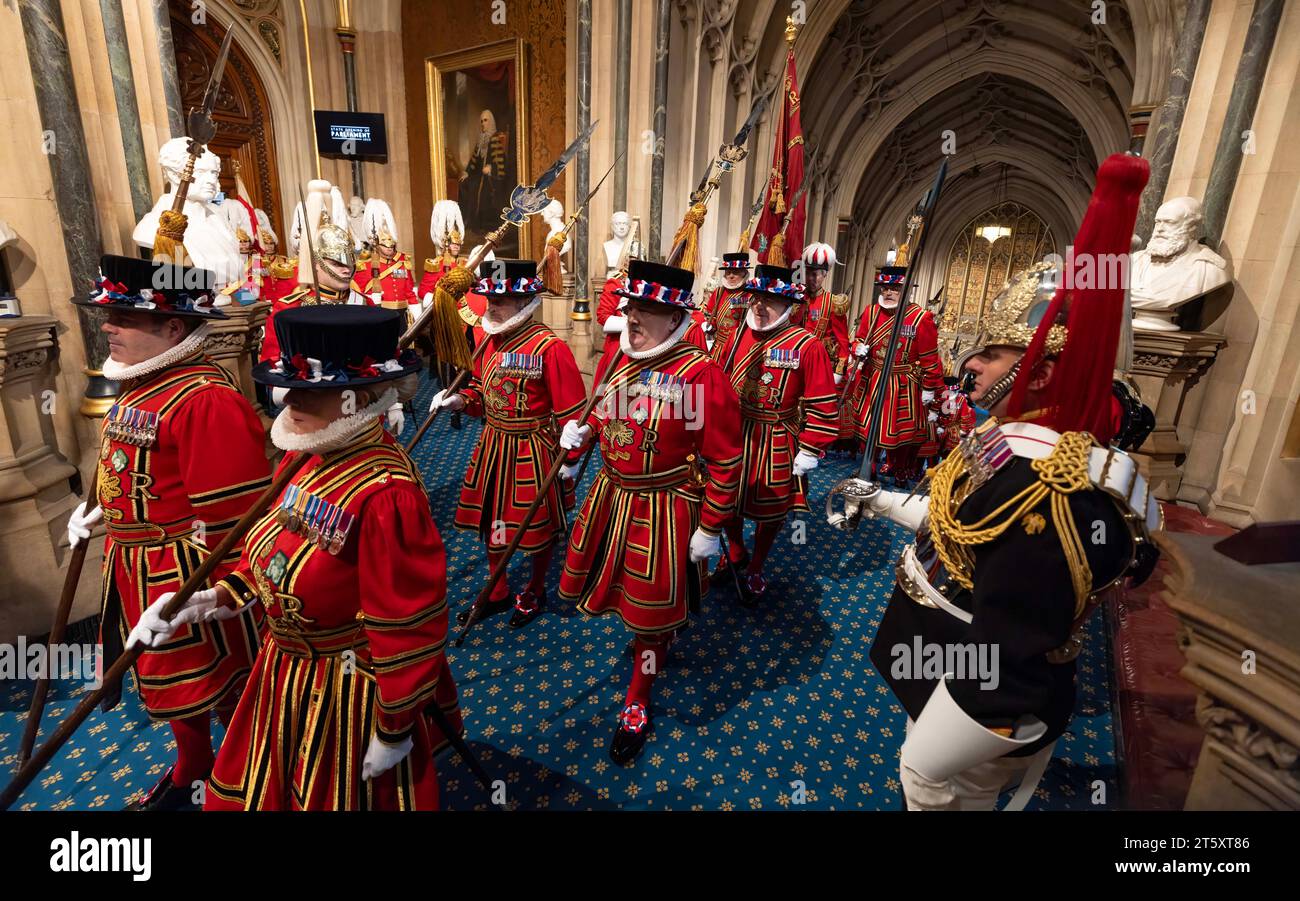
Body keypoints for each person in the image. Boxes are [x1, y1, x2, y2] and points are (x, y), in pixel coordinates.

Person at [855, 154, 1162, 810]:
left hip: (987, 684)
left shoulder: (1048, 490)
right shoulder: (1014, 447)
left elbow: (1011, 650)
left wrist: (929, 756)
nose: (973, 365)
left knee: (934, 779)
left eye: (991, 353)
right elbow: (961, 528)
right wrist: (880, 499)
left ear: (1044, 371)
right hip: (947, 650)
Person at [132, 305, 458, 810]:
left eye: (313, 389)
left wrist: (393, 728)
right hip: (283, 669)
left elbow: (408, 624)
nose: (290, 400)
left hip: (349, 690)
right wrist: (214, 597)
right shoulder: (303, 454)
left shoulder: (386, 493)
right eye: (289, 385)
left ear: (362, 398)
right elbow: (272, 551)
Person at [64, 255, 271, 810]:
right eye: (109, 314)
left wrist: (227, 597)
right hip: (133, 564)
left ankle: (247, 771)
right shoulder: (139, 383)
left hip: (190, 572)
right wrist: (105, 513)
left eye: (124, 317)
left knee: (223, 677)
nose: (107, 326)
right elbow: (139, 476)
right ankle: (194, 763)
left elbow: (235, 519)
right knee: (171, 683)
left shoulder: (205, 398)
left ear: (174, 328)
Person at [556, 259, 742, 764]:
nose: (632, 318)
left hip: (664, 505)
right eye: (631, 306)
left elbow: (726, 459)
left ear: (676, 317)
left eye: (647, 310)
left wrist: (710, 525)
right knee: (627, 594)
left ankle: (637, 699)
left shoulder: (699, 376)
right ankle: (659, 639)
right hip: (613, 494)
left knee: (651, 613)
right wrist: (582, 437)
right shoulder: (622, 358)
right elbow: (603, 404)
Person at [430, 260, 587, 629]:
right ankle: (497, 591)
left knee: (536, 526)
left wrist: (572, 459)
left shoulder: (550, 347)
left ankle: (534, 588)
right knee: (493, 521)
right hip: (493, 444)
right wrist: (461, 400)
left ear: (525, 301)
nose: (491, 307)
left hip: (533, 449)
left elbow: (574, 412)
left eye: (502, 300)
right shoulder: (487, 341)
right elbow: (481, 392)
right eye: (489, 299)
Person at [713, 263, 838, 605]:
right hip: (734, 432)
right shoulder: (736, 334)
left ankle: (756, 565)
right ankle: (736, 550)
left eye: (769, 300)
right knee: (727, 500)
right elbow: (715, 381)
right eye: (756, 298)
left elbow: (823, 402)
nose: (759, 306)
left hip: (778, 436)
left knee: (773, 508)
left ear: (789, 304)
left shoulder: (807, 345)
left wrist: (811, 447)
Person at [845, 266, 943, 487]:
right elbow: (858, 339)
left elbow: (930, 358)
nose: (888, 293)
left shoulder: (921, 318)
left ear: (907, 290)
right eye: (885, 288)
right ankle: (867, 467)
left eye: (895, 289)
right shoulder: (871, 312)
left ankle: (900, 469)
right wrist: (857, 347)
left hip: (903, 384)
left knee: (901, 435)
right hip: (873, 378)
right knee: (869, 428)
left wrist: (929, 387)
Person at [791, 243, 851, 385]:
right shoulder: (794, 297)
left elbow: (843, 341)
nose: (811, 278)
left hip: (820, 364)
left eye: (815, 274)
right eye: (808, 273)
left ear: (824, 275)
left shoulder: (833, 303)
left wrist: (838, 371)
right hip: (794, 361)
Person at [693, 252, 751, 362]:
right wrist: (710, 326)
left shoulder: (751, 294)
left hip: (739, 346)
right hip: (718, 347)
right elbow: (710, 314)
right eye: (728, 272)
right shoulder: (719, 292)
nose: (731, 276)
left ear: (744, 272)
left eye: (736, 272)